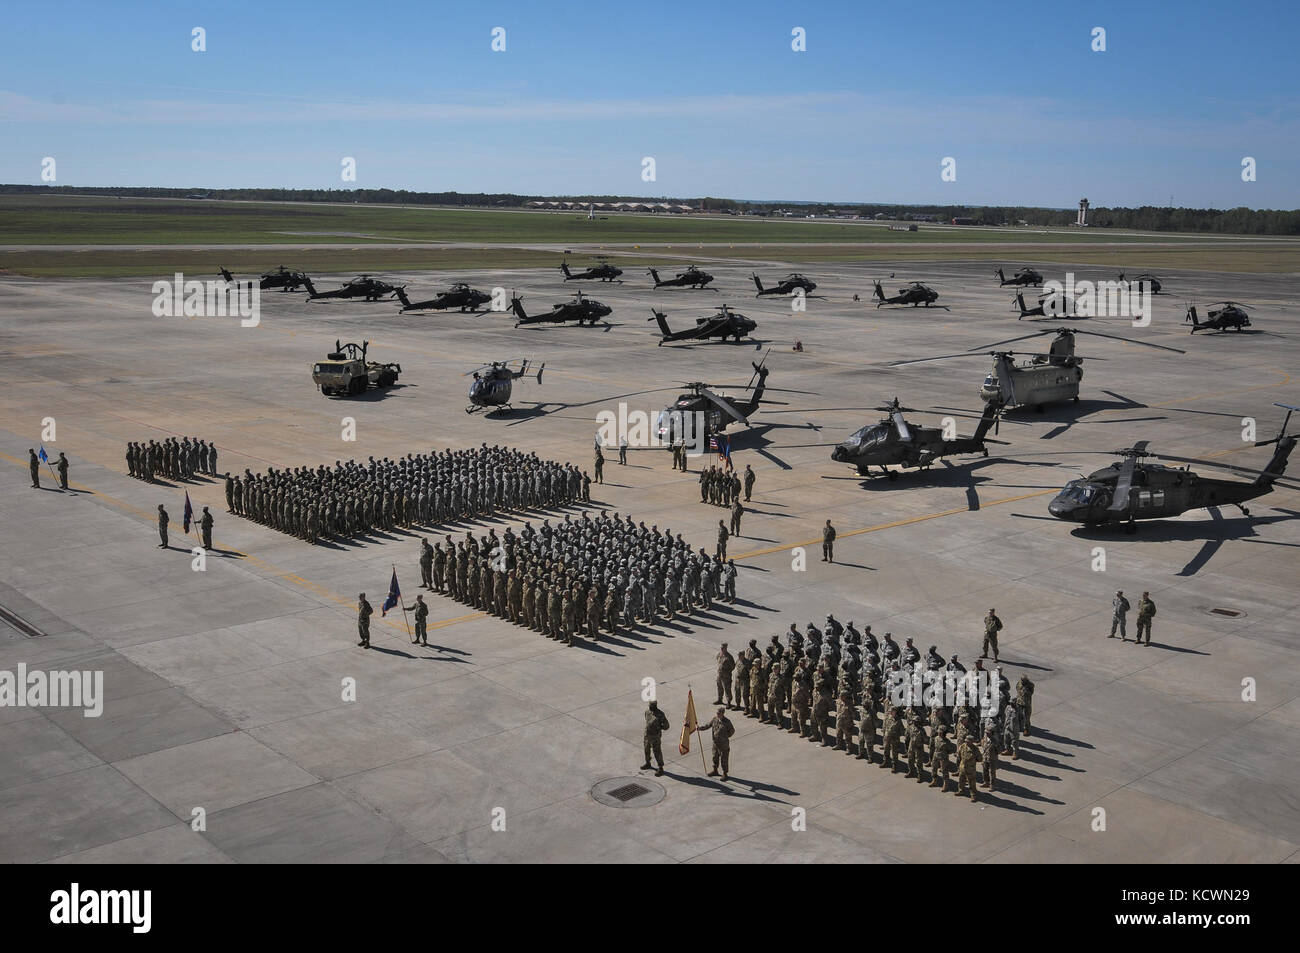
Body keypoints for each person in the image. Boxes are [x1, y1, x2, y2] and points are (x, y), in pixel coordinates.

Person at [701, 706, 735, 780]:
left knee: (724, 759)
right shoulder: (714, 719)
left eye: (718, 713)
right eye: (717, 713)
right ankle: (715, 770)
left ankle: (725, 774)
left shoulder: (727, 722)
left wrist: (725, 737)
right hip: (715, 744)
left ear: (722, 713)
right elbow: (708, 726)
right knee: (715, 757)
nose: (717, 714)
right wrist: (700, 728)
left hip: (724, 745)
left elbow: (732, 731)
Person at [642, 700, 670, 776]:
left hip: (655, 736)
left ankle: (660, 768)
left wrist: (659, 727)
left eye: (651, 706)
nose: (650, 707)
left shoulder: (660, 714)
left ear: (655, 706)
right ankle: (648, 763)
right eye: (649, 706)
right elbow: (647, 721)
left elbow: (666, 726)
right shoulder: (647, 712)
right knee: (646, 750)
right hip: (647, 735)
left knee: (657, 752)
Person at [714, 643, 735, 708]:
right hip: (719, 675)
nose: (721, 648)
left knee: (727, 689)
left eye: (723, 648)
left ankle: (729, 702)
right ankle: (720, 699)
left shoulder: (729, 657)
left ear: (726, 648)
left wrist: (727, 672)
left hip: (726, 676)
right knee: (719, 687)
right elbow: (717, 661)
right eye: (721, 647)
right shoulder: (719, 654)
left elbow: (733, 666)